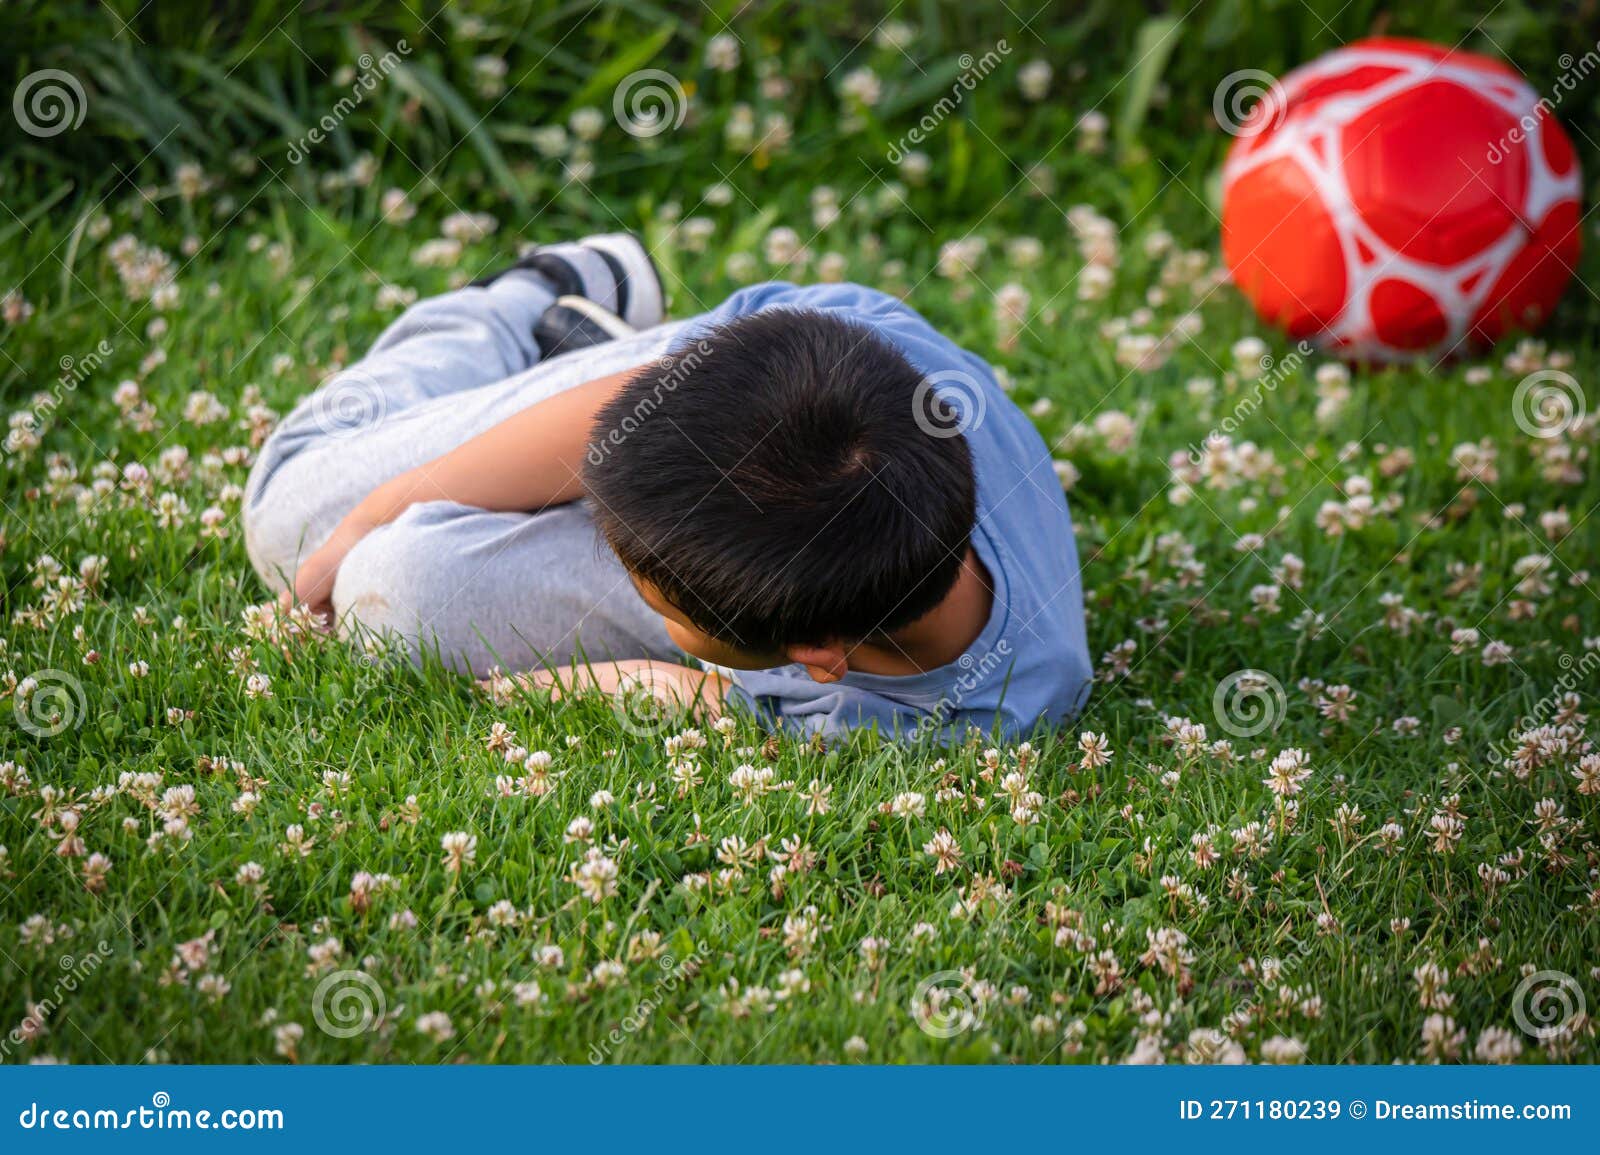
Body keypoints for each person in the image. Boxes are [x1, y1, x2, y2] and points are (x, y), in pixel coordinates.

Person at [244, 232, 1091, 739]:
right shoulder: (852, 366)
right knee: (290, 514)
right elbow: (611, 422)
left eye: (669, 613)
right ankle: (539, 296)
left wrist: (678, 693)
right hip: (735, 379)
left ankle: (569, 340)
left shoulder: (972, 719)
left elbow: (697, 699)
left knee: (386, 597)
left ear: (815, 659)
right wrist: (369, 513)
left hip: (755, 547)